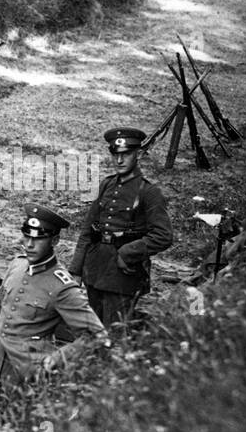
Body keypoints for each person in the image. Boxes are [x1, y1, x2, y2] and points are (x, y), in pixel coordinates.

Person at [0, 207, 108, 432]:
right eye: (27, 236)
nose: (29, 244)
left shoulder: (62, 286)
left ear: (54, 240)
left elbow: (97, 336)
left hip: (25, 380)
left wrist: (54, 359)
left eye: (38, 239)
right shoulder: (17, 264)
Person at [68, 126, 173, 327]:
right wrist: (77, 269)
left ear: (138, 154)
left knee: (115, 333)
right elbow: (88, 230)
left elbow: (163, 235)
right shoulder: (107, 185)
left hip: (123, 276)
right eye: (116, 154)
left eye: (126, 154)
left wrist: (128, 252)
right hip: (95, 269)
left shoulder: (149, 192)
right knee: (93, 331)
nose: (119, 160)